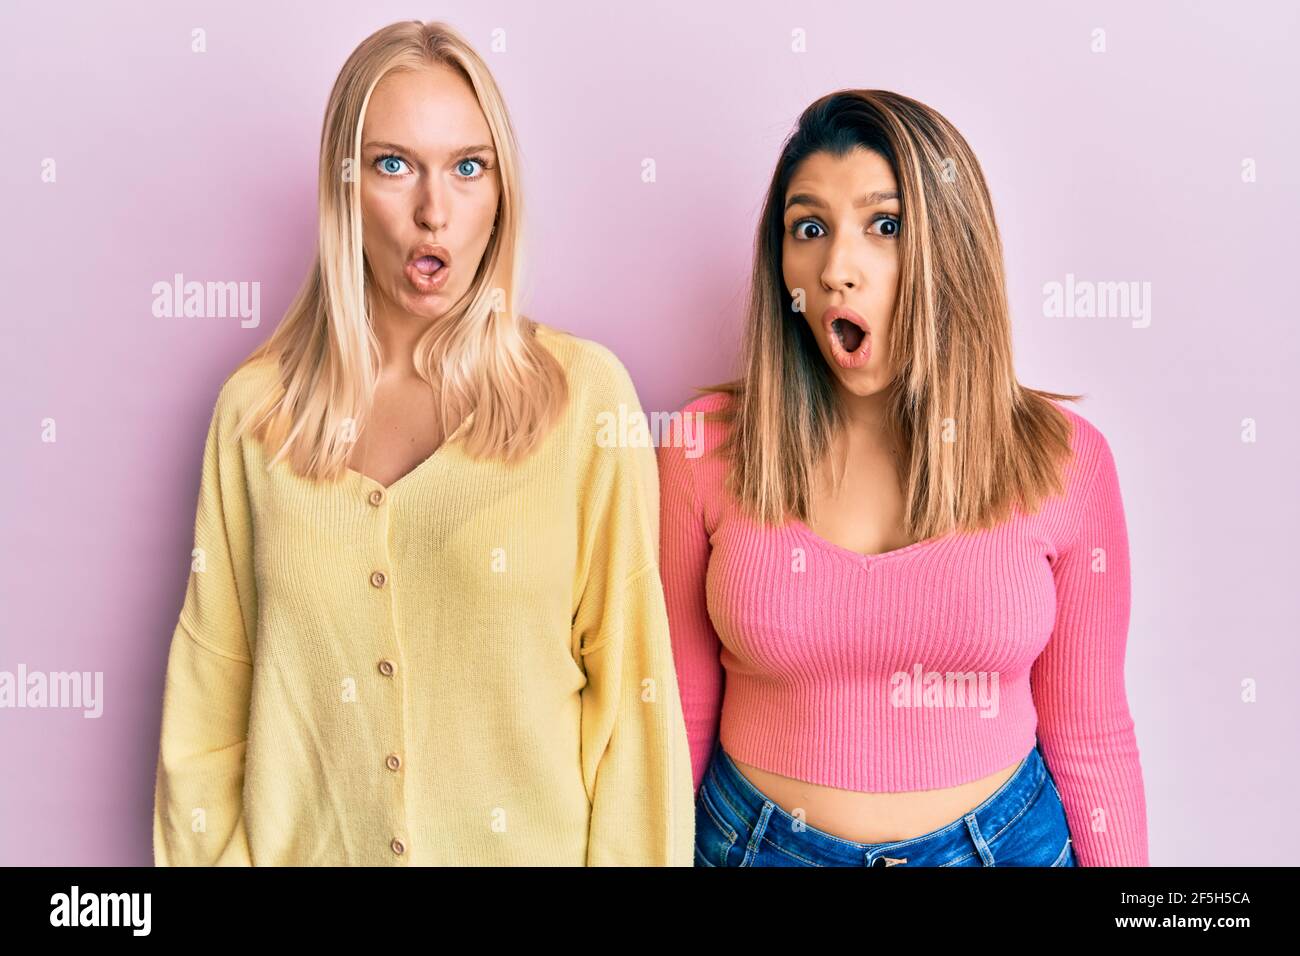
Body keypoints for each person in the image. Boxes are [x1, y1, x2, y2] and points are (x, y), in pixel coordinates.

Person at [152, 19, 692, 866]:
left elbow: (634, 716)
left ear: (502, 192)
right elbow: (206, 717)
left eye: (468, 168)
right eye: (393, 165)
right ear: (344, 184)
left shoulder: (583, 401)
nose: (434, 211)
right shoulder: (256, 417)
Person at [658, 89, 1148, 867]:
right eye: (808, 228)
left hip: (1005, 848)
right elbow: (676, 715)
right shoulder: (699, 450)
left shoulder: (1066, 462)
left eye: (884, 226)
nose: (835, 269)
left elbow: (1090, 732)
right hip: (754, 847)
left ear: (951, 248)